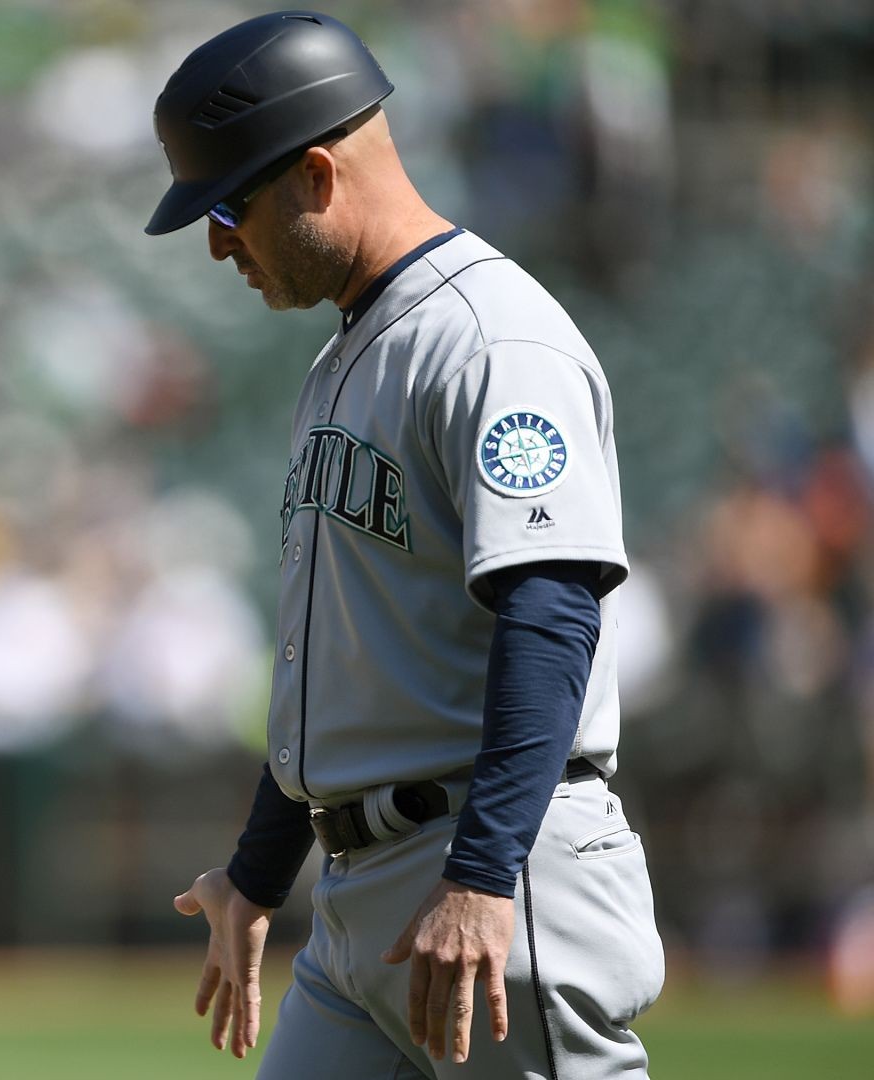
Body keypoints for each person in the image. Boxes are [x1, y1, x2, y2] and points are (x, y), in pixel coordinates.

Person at [146, 13, 663, 1078]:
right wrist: (257, 873)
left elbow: (552, 610)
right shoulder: (345, 357)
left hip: (493, 866)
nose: (216, 242)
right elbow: (332, 666)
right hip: (361, 898)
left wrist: (483, 875)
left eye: (229, 205)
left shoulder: (490, 338)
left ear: (318, 174)